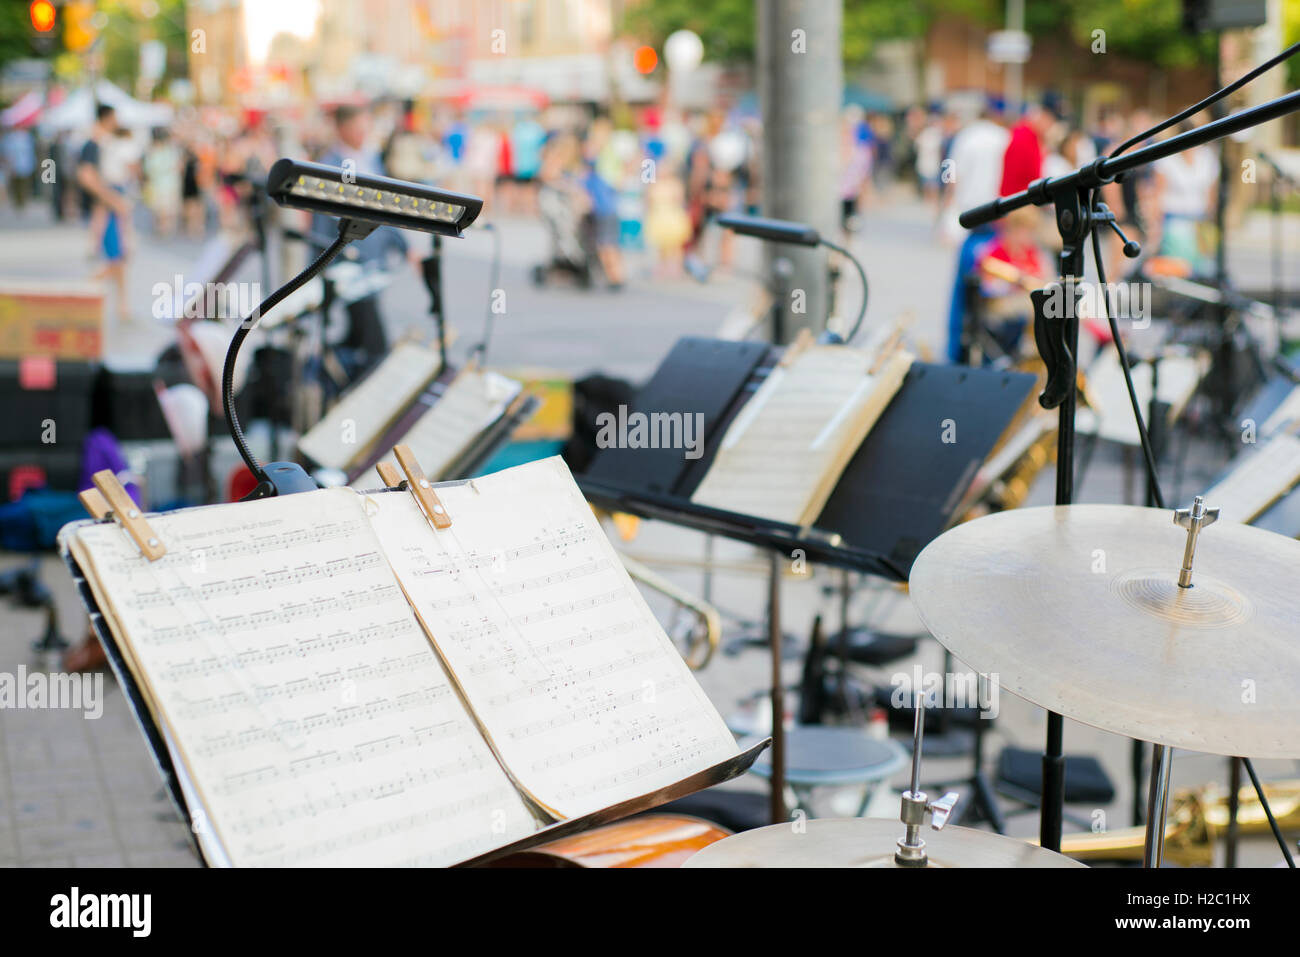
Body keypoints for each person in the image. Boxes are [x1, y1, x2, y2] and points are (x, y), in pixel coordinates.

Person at [314, 104, 411, 369]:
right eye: (357, 127)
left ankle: (340, 367)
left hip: (373, 258)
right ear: (342, 128)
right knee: (373, 337)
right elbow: (328, 220)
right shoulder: (329, 165)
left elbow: (385, 207)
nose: (362, 133)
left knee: (358, 333)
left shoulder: (372, 159)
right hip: (348, 260)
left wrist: (403, 245)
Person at [941, 104, 1009, 362]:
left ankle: (956, 350)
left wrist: (946, 213)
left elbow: (951, 177)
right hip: (998, 218)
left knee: (963, 290)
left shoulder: (966, 137)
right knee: (993, 288)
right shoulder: (1004, 138)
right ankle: (993, 353)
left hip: (971, 218)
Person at [76, 104, 133, 324]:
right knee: (116, 259)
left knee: (119, 259)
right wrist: (113, 199)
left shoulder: (104, 143)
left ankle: (122, 305)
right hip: (106, 206)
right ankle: (85, 291)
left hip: (110, 205)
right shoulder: (93, 144)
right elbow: (86, 177)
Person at [1152, 120, 1219, 270]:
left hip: (1198, 218)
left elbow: (1210, 191)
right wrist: (1156, 225)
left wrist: (1209, 218)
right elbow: (1159, 193)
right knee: (1177, 266)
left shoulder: (1206, 157)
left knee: (1202, 265)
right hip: (1174, 219)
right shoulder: (1168, 159)